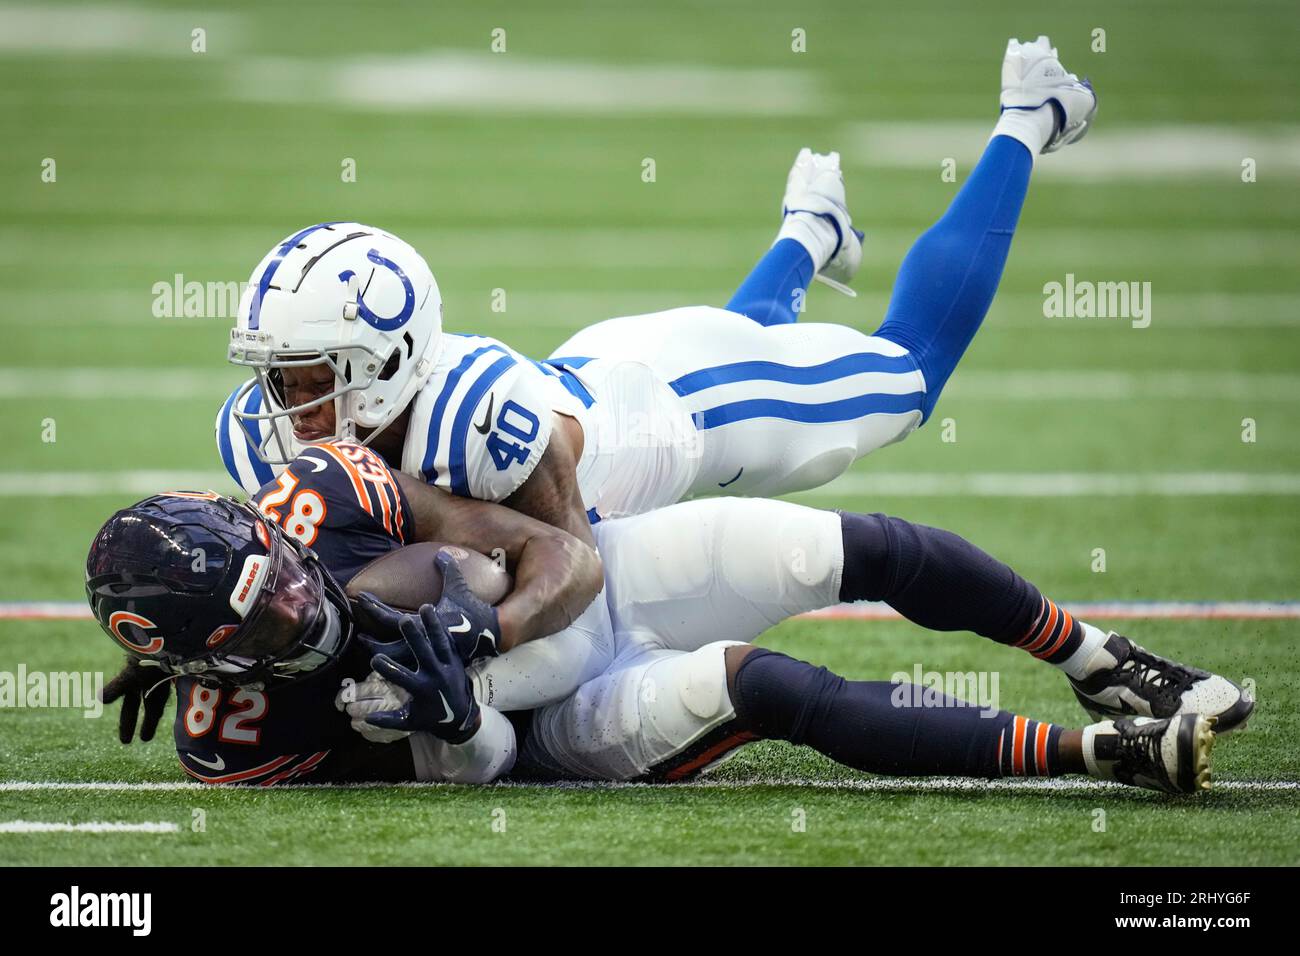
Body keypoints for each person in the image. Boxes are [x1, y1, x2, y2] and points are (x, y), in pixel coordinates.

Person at [216, 36, 1098, 549]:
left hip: (693, 406)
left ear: (390, 360)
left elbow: (572, 572)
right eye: (281, 375)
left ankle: (1028, 113)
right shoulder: (262, 442)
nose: (287, 404)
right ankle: (811, 236)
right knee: (738, 330)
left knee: (909, 373)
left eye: (310, 373)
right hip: (605, 368)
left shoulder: (476, 415)